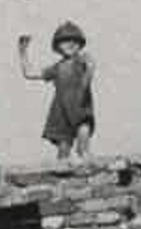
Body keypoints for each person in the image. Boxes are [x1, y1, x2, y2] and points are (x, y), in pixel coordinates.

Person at [18, 20, 96, 164]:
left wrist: (90, 68)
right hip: (61, 111)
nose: (70, 44)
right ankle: (64, 169)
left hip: (80, 107)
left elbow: (85, 82)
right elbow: (29, 73)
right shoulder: (57, 68)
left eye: (74, 41)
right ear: (58, 46)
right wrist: (23, 52)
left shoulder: (81, 61)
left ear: (80, 44)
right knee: (63, 151)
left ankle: (85, 161)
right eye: (65, 41)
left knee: (83, 139)